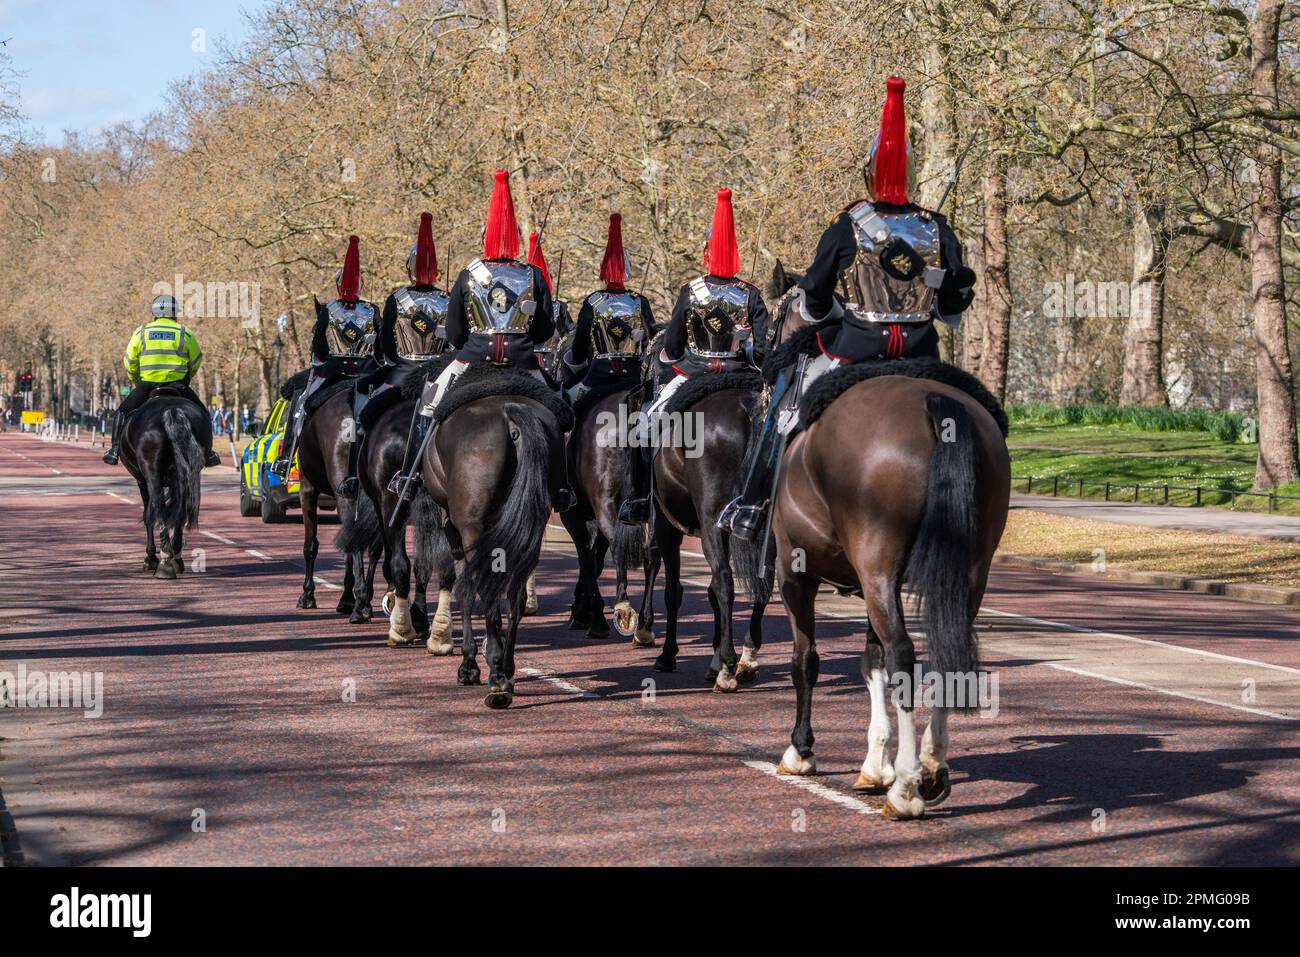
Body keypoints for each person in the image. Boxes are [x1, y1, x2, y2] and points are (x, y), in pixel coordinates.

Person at [718, 75, 978, 542]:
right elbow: (954, 305)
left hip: (855, 349)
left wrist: (826, 307)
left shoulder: (847, 225)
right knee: (977, 415)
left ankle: (752, 504)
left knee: (785, 406)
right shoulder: (938, 229)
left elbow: (814, 296)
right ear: (913, 175)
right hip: (922, 353)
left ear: (868, 173)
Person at [387, 169, 559, 511]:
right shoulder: (532, 275)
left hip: (472, 359)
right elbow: (544, 332)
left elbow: (454, 333)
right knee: (559, 408)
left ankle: (408, 476)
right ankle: (564, 486)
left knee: (427, 404)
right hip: (523, 362)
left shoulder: (470, 274)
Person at [618, 187, 767, 525]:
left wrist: (675, 357)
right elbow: (762, 351)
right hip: (741, 376)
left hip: (693, 374)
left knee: (643, 428)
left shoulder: (692, 292)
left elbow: (671, 346)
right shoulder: (751, 294)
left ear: (706, 252)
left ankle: (639, 499)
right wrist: (743, 351)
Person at [270, 235, 380, 483]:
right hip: (367, 371)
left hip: (331, 371)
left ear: (338, 284)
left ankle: (286, 458)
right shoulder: (372, 310)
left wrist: (320, 362)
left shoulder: (329, 310)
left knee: (300, 405)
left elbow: (319, 345)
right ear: (360, 285)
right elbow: (381, 344)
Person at [102, 294, 222, 467]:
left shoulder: (141, 332)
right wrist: (185, 378)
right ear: (175, 313)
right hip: (178, 386)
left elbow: (129, 362)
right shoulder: (184, 333)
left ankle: (114, 450)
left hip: (148, 385)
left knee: (121, 411)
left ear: (154, 313)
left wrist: (138, 381)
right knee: (203, 413)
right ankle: (209, 453)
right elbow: (196, 361)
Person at [560, 212, 656, 405]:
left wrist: (578, 367)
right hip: (634, 377)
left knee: (567, 401)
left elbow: (579, 347)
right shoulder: (639, 301)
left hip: (597, 376)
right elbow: (650, 342)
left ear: (604, 269)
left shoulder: (593, 301)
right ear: (628, 271)